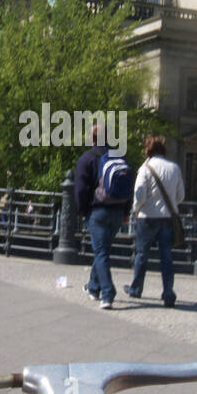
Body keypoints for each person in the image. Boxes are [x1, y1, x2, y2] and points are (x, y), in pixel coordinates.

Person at [74, 122, 131, 309]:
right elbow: (127, 185)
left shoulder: (87, 158)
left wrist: (83, 211)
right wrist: (125, 211)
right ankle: (93, 287)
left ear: (93, 138)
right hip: (117, 210)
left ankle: (108, 293)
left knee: (101, 253)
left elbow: (81, 189)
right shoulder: (120, 156)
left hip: (97, 211)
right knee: (103, 251)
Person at [125, 134, 184, 307]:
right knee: (166, 257)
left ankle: (136, 288)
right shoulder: (175, 168)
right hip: (167, 218)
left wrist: (136, 209)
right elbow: (181, 196)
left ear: (148, 149)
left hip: (147, 218)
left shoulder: (145, 168)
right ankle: (168, 293)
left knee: (142, 254)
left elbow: (139, 195)